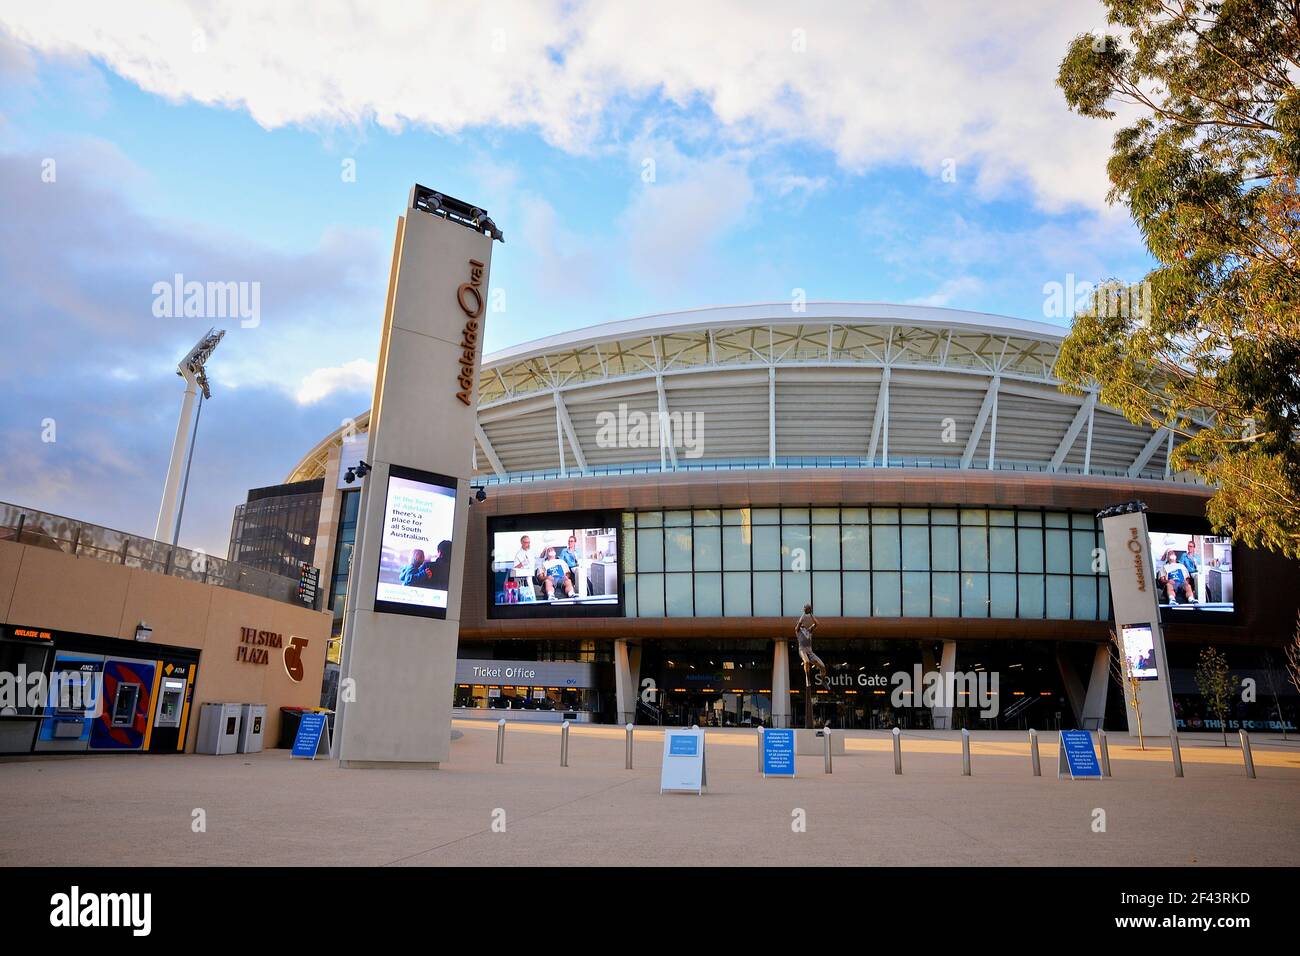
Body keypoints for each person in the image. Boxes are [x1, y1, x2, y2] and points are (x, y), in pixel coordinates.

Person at [794, 603, 828, 681]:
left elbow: (817, 623)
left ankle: (823, 680)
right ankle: (807, 678)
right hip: (802, 650)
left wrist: (811, 614)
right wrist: (804, 613)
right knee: (806, 662)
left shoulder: (809, 630)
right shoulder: (798, 631)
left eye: (802, 624)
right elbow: (799, 622)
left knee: (822, 666)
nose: (801, 624)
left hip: (810, 651)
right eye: (800, 624)